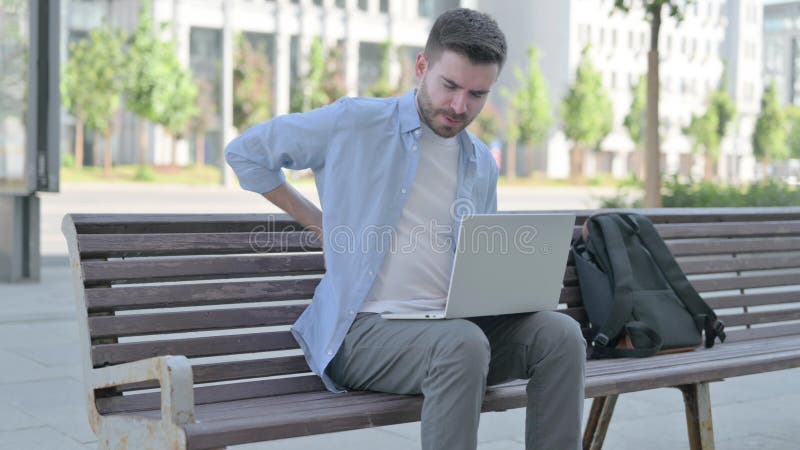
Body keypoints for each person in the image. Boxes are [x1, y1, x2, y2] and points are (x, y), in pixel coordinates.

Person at [225, 8, 585, 450]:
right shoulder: (355, 122)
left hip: (452, 328)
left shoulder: (478, 163)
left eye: (476, 94)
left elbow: (478, 267)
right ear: (422, 67)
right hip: (363, 333)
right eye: (449, 86)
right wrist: (317, 221)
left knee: (560, 336)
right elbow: (245, 153)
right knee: (461, 345)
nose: (459, 106)